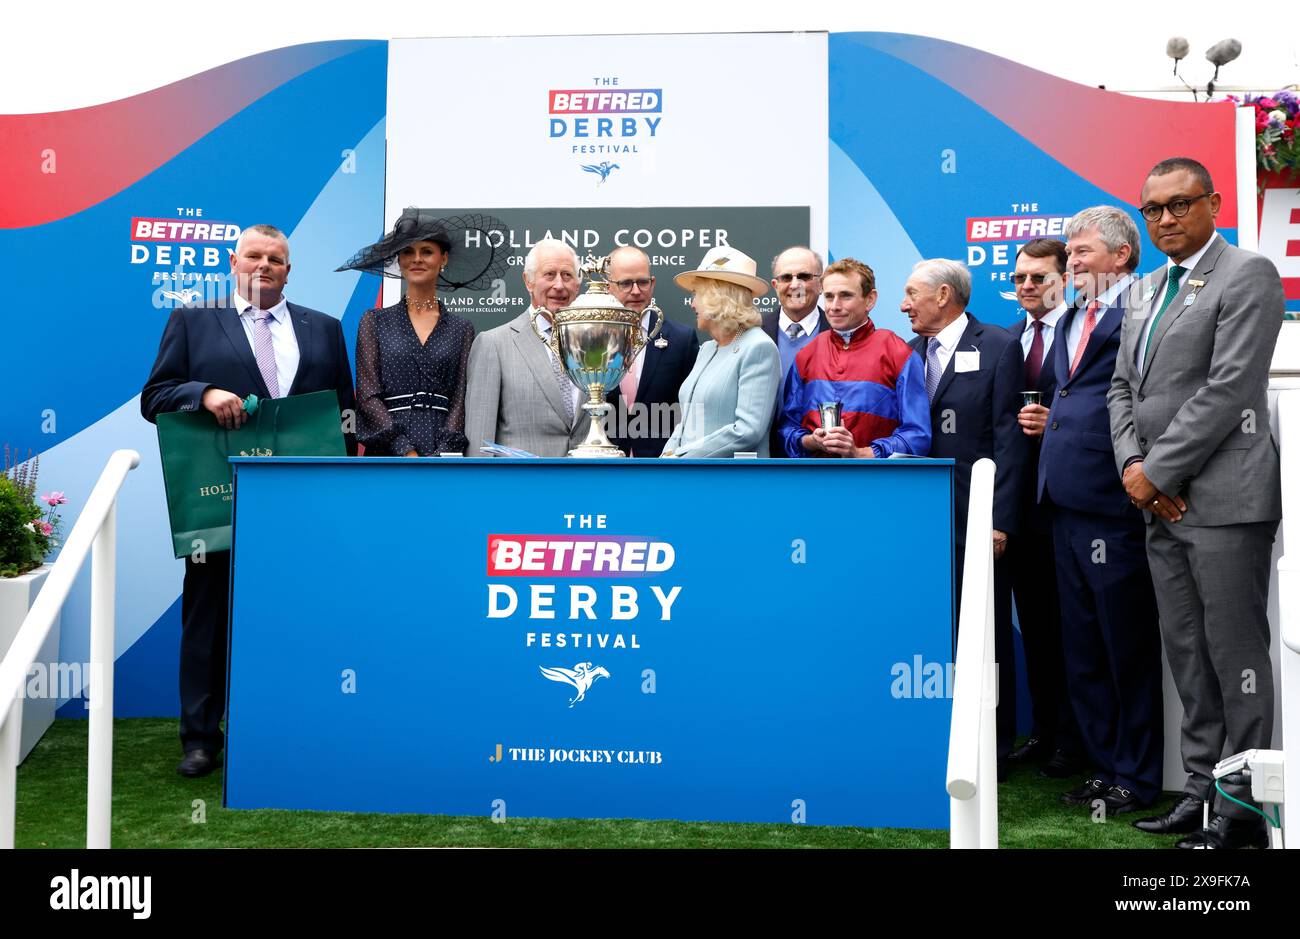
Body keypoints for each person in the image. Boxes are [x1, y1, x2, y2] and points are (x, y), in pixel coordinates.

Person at [1110, 157, 1285, 849]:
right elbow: (1122, 389)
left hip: (1224, 500)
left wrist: (1157, 472)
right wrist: (1133, 465)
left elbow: (1231, 388)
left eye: (1179, 204)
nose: (1165, 219)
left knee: (1234, 655)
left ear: (1213, 202)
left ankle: (1243, 813)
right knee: (1187, 654)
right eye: (1152, 209)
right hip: (1157, 498)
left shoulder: (1248, 273)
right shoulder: (1145, 288)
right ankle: (1200, 792)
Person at [141, 224, 356, 777]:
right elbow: (155, 397)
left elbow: (345, 413)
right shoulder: (192, 320)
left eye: (276, 259)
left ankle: (292, 723)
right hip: (221, 497)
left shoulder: (325, 329)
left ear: (290, 268)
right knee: (209, 615)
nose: (265, 266)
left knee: (299, 612)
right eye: (254, 257)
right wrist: (204, 393)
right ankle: (200, 739)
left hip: (305, 501)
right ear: (234, 262)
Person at [1029, 207, 1163, 817]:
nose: (1072, 263)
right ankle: (1103, 766)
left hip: (1114, 503)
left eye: (1082, 252)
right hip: (1060, 502)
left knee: (1123, 646)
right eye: (1072, 253)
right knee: (1081, 645)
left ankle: (1137, 775)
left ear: (1121, 256)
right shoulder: (1072, 319)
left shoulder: (1146, 310)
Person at [904, 258, 1026, 775]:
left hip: (975, 516)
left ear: (945, 295)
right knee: (928, 628)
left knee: (983, 632)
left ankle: (990, 750)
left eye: (912, 294)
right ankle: (934, 737)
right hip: (916, 519)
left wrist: (999, 520)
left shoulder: (997, 345)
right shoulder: (907, 352)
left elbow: (1011, 440)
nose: (904, 304)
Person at [1004, 239, 1084, 778]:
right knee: (1034, 624)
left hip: (1075, 502)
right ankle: (1045, 733)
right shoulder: (1007, 340)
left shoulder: (1085, 332)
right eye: (1020, 279)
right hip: (1023, 508)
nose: (1028, 287)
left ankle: (1078, 743)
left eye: (1039, 278)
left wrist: (1055, 417)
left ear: (1065, 279)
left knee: (1075, 629)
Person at [338, 210, 482, 456]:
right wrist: (405, 449)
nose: (417, 259)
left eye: (426, 251)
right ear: (399, 260)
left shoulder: (462, 328)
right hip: (387, 449)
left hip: (443, 453)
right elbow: (367, 395)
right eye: (407, 251)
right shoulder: (374, 321)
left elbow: (461, 397)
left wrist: (443, 452)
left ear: (443, 259)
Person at [778, 257, 929, 459]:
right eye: (829, 297)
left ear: (870, 300)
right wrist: (811, 441)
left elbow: (918, 437)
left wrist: (860, 453)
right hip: (814, 483)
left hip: (874, 485)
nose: (834, 306)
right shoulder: (807, 354)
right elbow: (786, 429)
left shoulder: (898, 353)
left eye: (846, 296)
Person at [464, 239, 591, 457]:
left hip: (587, 484)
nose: (559, 285)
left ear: (577, 285)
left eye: (567, 275)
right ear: (528, 281)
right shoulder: (494, 344)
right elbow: (479, 442)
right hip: (519, 486)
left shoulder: (595, 343)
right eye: (549, 274)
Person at [661, 247, 782, 457]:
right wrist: (666, 458)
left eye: (696, 294)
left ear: (718, 296)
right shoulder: (707, 349)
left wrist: (684, 457)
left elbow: (747, 431)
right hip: (688, 478)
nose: (692, 304)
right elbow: (688, 422)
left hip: (730, 482)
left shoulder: (759, 347)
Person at [604, 246, 699, 457]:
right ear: (608, 287)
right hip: (602, 466)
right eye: (626, 283)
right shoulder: (593, 338)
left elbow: (694, 412)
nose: (636, 291)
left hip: (662, 468)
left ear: (653, 283)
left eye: (643, 282)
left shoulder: (682, 339)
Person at [762, 246, 828, 457]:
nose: (795, 284)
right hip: (763, 457)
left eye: (804, 276)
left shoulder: (840, 332)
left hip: (822, 458)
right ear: (775, 285)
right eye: (785, 277)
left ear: (821, 283)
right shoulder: (752, 332)